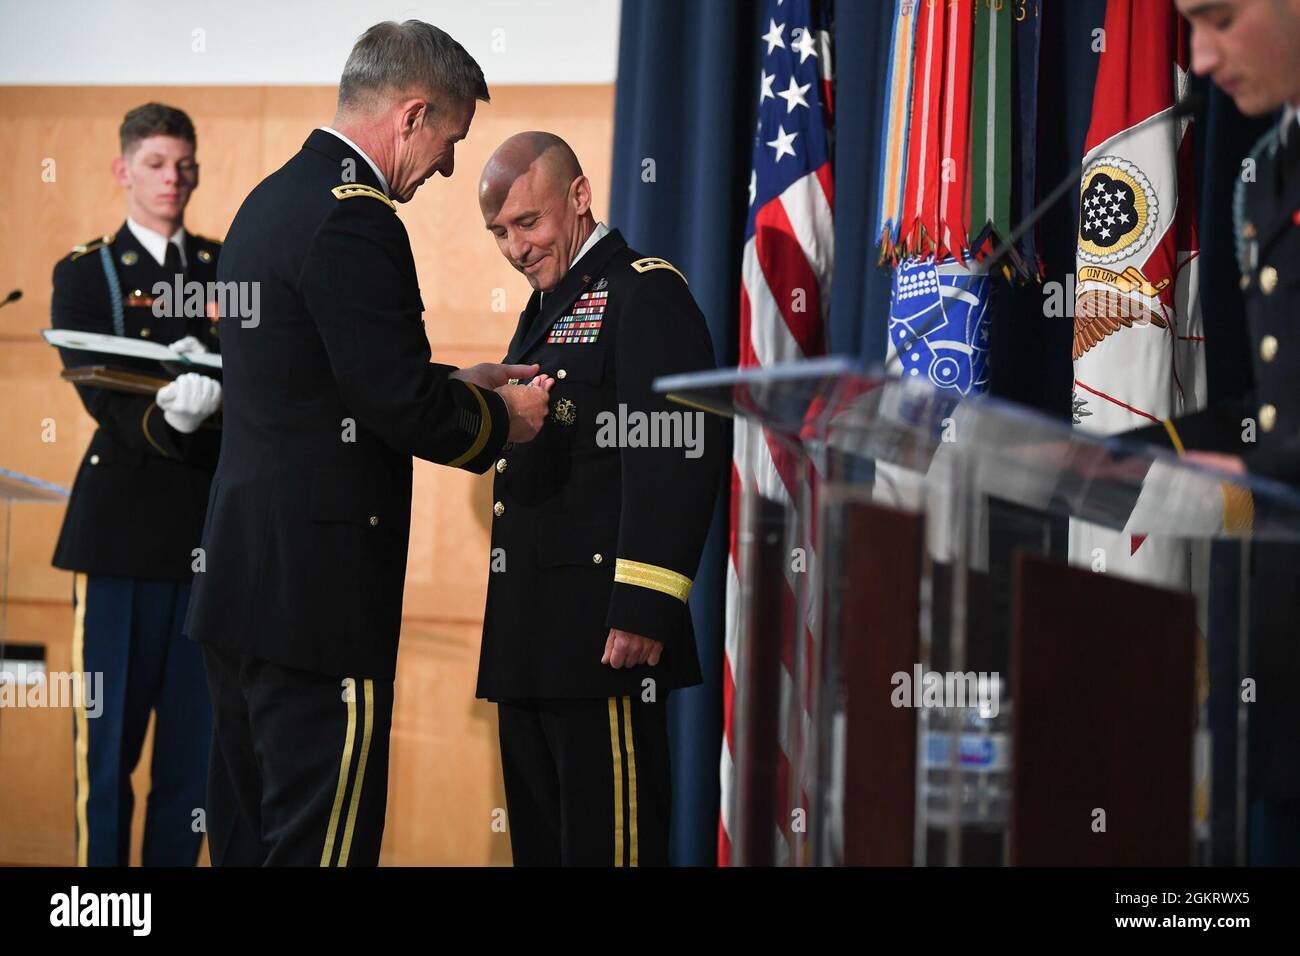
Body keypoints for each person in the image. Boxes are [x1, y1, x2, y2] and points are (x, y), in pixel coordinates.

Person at [184, 21, 550, 866]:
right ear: (413, 115)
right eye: (451, 140)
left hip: (242, 588)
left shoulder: (270, 198)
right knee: (321, 848)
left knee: (250, 841)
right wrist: (506, 422)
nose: (451, 166)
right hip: (319, 606)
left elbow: (319, 381)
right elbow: (393, 401)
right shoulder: (360, 219)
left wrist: (461, 383)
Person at [476, 131, 725, 866]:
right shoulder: (551, 302)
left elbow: (679, 446)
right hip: (532, 635)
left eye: (528, 222)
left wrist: (646, 605)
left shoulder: (645, 291)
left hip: (603, 639)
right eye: (499, 233)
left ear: (579, 197)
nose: (516, 248)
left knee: (607, 847)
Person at [51, 102, 224, 866]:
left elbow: (266, 387)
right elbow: (101, 393)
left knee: (194, 763)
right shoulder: (86, 271)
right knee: (107, 751)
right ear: (124, 170)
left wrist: (221, 388)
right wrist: (175, 410)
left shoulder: (229, 269)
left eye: (184, 164)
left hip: (207, 545)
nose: (172, 179)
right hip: (120, 539)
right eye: (156, 163)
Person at [1150, 0, 1300, 863]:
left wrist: (1251, 466)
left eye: (1220, 19)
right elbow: (1280, 407)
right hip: (1280, 661)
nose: (1199, 58)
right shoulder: (1268, 169)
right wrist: (1136, 454)